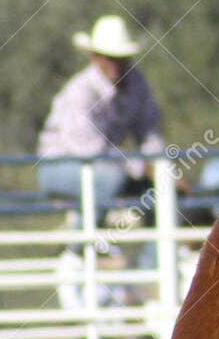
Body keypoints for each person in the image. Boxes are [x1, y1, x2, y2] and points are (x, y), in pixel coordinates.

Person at [37, 15, 165, 214]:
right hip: (60, 164)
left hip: (109, 165)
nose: (115, 63)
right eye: (109, 57)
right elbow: (90, 150)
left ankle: (157, 244)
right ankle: (77, 243)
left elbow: (149, 131)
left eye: (120, 57)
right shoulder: (81, 91)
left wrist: (162, 169)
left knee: (162, 193)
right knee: (108, 181)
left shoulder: (137, 83)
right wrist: (145, 168)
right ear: (94, 57)